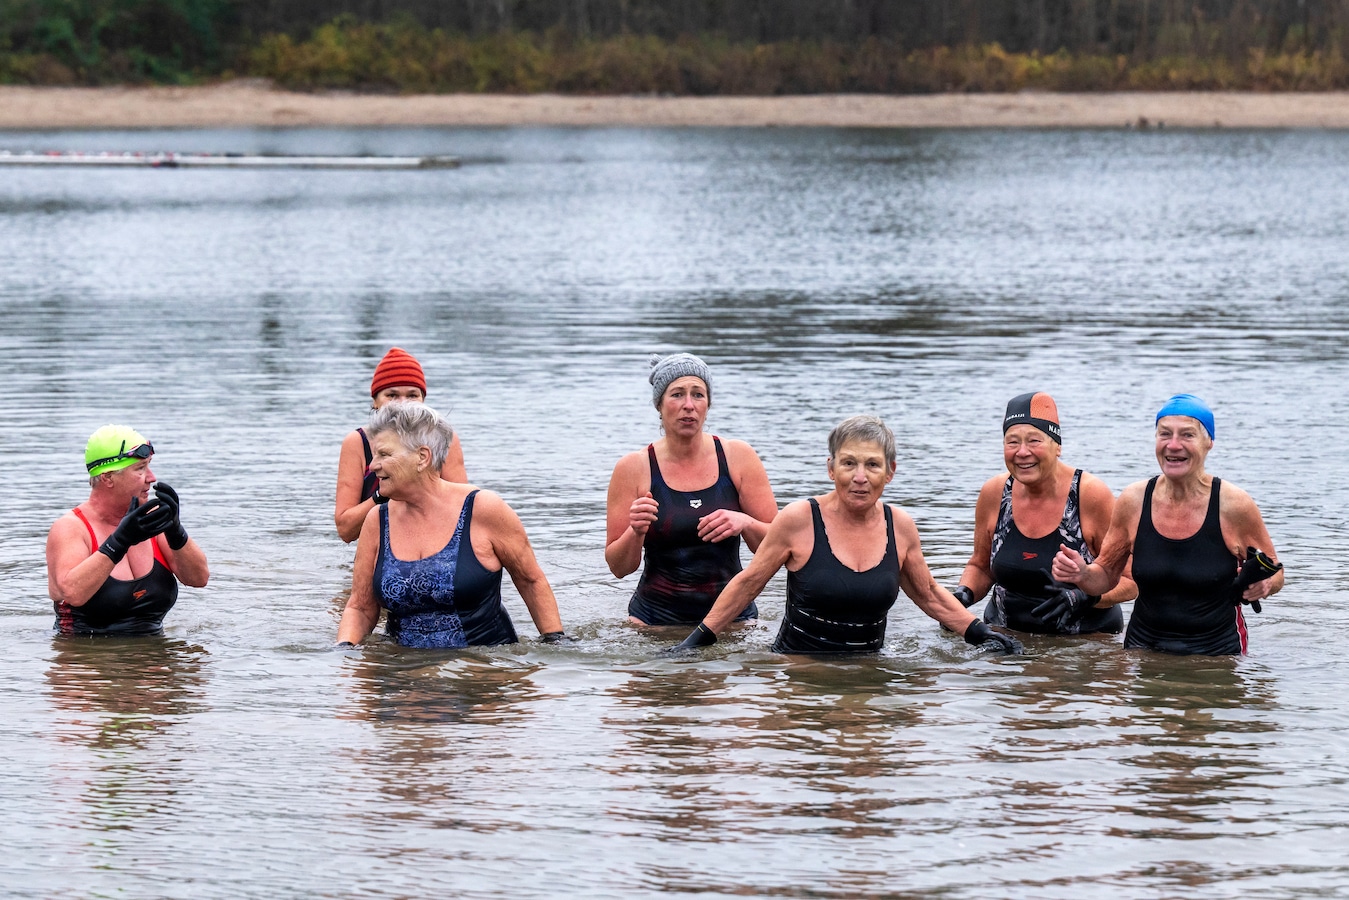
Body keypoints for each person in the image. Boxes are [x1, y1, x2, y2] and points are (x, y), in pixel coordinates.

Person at [671, 415, 1022, 655]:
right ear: (831, 468)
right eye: (849, 463)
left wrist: (981, 633)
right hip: (799, 665)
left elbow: (928, 595)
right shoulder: (799, 519)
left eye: (872, 464)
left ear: (890, 472)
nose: (859, 476)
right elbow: (748, 583)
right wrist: (696, 642)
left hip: (870, 665)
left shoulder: (900, 526)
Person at [1052, 394, 1284, 655]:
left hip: (1216, 652)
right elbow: (1106, 575)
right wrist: (1082, 575)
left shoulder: (1233, 505)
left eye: (1187, 435)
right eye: (1165, 434)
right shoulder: (1133, 501)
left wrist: (1265, 585)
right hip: (1144, 647)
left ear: (1209, 442)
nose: (1174, 445)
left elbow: (1275, 571)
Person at [336, 402, 566, 648]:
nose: (372, 466)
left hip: (483, 670)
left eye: (384, 454)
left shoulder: (483, 508)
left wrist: (555, 643)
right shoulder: (377, 520)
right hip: (401, 673)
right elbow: (360, 607)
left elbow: (529, 580)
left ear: (422, 457)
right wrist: (343, 651)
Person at [605, 353, 778, 626]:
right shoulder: (633, 468)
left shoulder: (738, 457)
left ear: (708, 404)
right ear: (659, 405)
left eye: (698, 394)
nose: (689, 405)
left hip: (733, 620)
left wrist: (745, 522)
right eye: (677, 394)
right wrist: (635, 531)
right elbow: (618, 568)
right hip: (653, 621)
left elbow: (778, 547)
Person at [952, 392, 1136, 635]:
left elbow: (1131, 580)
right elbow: (981, 565)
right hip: (1005, 637)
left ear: (1057, 446)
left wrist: (1085, 596)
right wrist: (962, 597)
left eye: (1034, 441)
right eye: (1012, 441)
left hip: (1084, 645)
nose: (1022, 452)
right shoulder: (995, 492)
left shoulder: (1089, 495)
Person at [46, 425, 209, 635]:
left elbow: (199, 579)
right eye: (140, 468)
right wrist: (120, 541)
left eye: (149, 466)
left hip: (151, 653)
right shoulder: (70, 528)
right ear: (108, 478)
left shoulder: (151, 524)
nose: (151, 477)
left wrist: (176, 531)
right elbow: (73, 593)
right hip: (86, 654)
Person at [334, 347, 468, 543]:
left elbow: (464, 509)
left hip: (432, 545)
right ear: (375, 402)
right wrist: (383, 495)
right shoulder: (357, 442)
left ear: (423, 401)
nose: (403, 404)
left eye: (412, 395)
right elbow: (346, 530)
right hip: (377, 550)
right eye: (392, 395)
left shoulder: (444, 438)